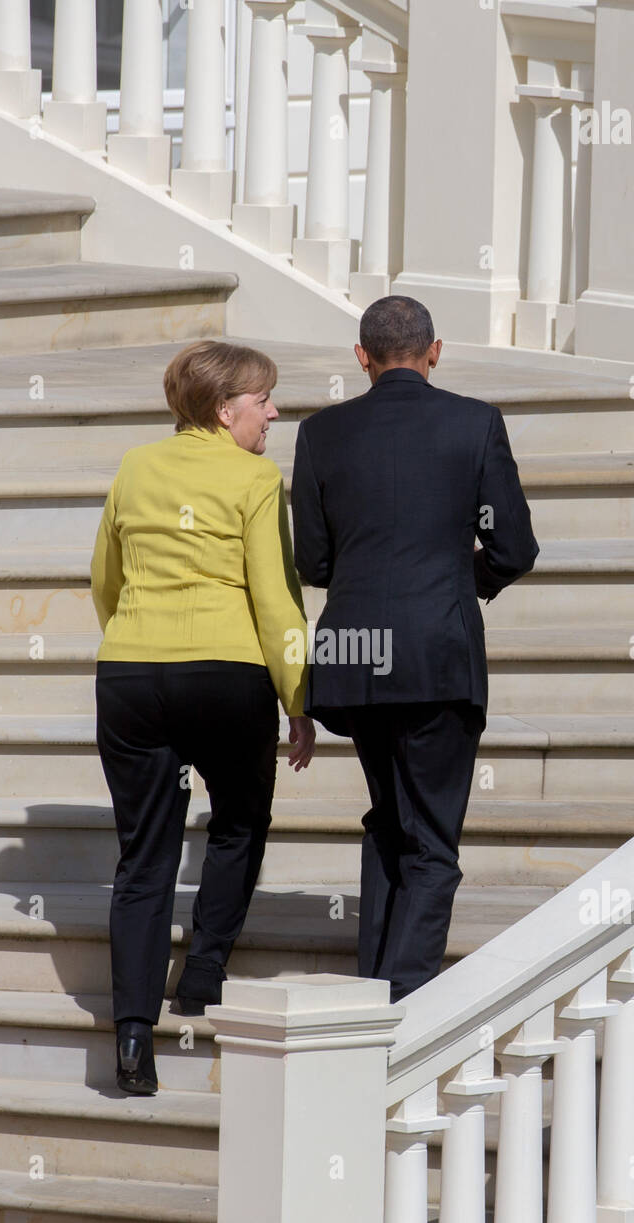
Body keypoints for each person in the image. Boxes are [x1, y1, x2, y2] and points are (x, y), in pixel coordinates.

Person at [290, 296, 538, 1004]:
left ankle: (373, 992)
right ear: (435, 352)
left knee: (390, 822)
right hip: (437, 654)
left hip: (354, 656)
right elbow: (514, 547)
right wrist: (462, 578)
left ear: (360, 358)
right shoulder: (475, 422)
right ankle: (403, 1009)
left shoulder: (320, 432)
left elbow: (312, 559)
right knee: (430, 843)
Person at [91, 340, 315, 1095]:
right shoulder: (255, 477)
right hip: (225, 671)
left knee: (143, 858)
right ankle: (205, 971)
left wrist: (135, 641)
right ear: (226, 411)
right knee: (241, 818)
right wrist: (297, 697)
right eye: (263, 400)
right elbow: (276, 597)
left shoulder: (133, 467)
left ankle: (130, 1037)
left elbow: (105, 579)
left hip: (129, 671)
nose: (273, 412)